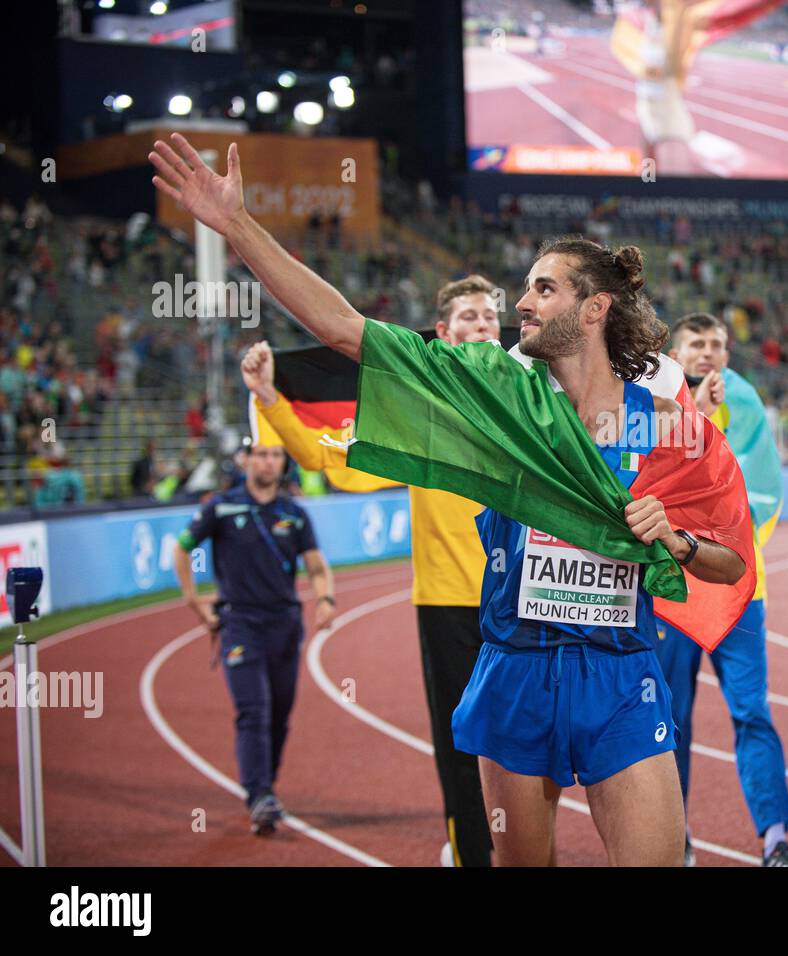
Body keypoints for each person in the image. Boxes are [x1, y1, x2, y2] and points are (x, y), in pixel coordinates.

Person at [149, 132, 751, 866]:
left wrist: (678, 541)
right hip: (515, 673)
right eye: (523, 289)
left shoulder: (663, 424)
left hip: (620, 674)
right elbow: (345, 329)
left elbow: (728, 565)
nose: (520, 304)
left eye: (543, 289)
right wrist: (236, 224)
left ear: (594, 309)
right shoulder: (492, 397)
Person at [240, 274, 501, 868]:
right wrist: (268, 398)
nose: (481, 325)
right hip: (448, 603)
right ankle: (475, 859)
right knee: (462, 749)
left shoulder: (532, 398)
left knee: (527, 747)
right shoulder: (415, 416)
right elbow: (328, 460)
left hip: (523, 601)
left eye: (490, 316)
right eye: (468, 317)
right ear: (442, 333)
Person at [655, 313, 788, 866]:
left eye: (717, 344)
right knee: (669, 718)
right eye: (696, 343)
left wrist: (728, 555)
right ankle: (675, 838)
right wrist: (698, 409)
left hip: (738, 590)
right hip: (673, 591)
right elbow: (650, 481)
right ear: (677, 349)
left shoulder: (746, 402)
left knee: (752, 712)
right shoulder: (651, 392)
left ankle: (775, 838)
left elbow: (763, 494)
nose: (708, 353)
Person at [173, 440, 334, 835]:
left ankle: (266, 785)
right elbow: (182, 548)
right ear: (247, 460)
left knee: (280, 714)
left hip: (285, 626)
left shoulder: (293, 514)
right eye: (261, 454)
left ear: (282, 464)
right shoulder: (220, 507)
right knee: (254, 711)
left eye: (276, 455)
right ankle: (259, 794)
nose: (268, 461)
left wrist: (325, 598)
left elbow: (315, 566)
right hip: (241, 625)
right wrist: (194, 600)